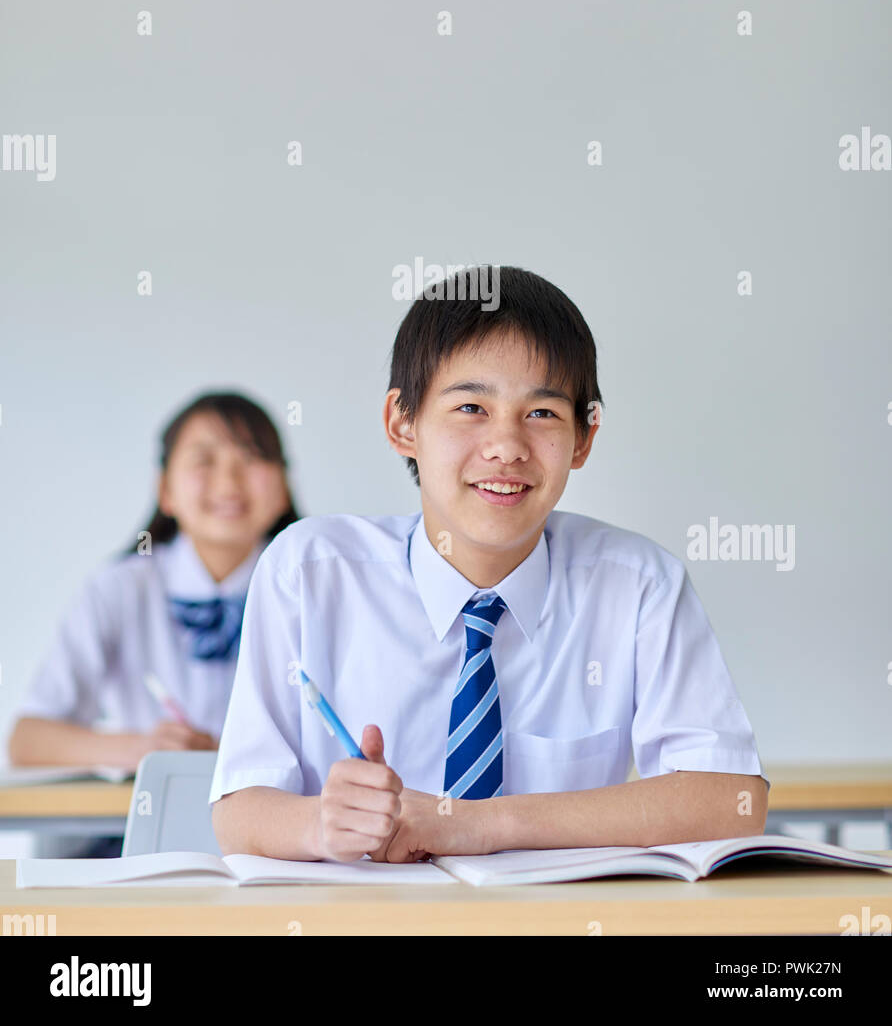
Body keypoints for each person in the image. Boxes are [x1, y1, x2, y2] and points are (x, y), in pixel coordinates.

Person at [210, 269, 768, 863]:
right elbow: (239, 810)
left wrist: (480, 825)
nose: (507, 446)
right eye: (472, 406)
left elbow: (730, 799)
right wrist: (323, 825)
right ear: (403, 423)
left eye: (543, 414)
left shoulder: (637, 584)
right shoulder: (309, 572)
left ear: (584, 437)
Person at [9, 390, 299, 853]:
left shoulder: (312, 588)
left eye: (251, 458)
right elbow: (28, 740)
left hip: (275, 840)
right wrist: (138, 748)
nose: (228, 480)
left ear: (283, 485)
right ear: (165, 489)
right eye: (204, 460)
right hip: (133, 838)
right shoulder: (120, 587)